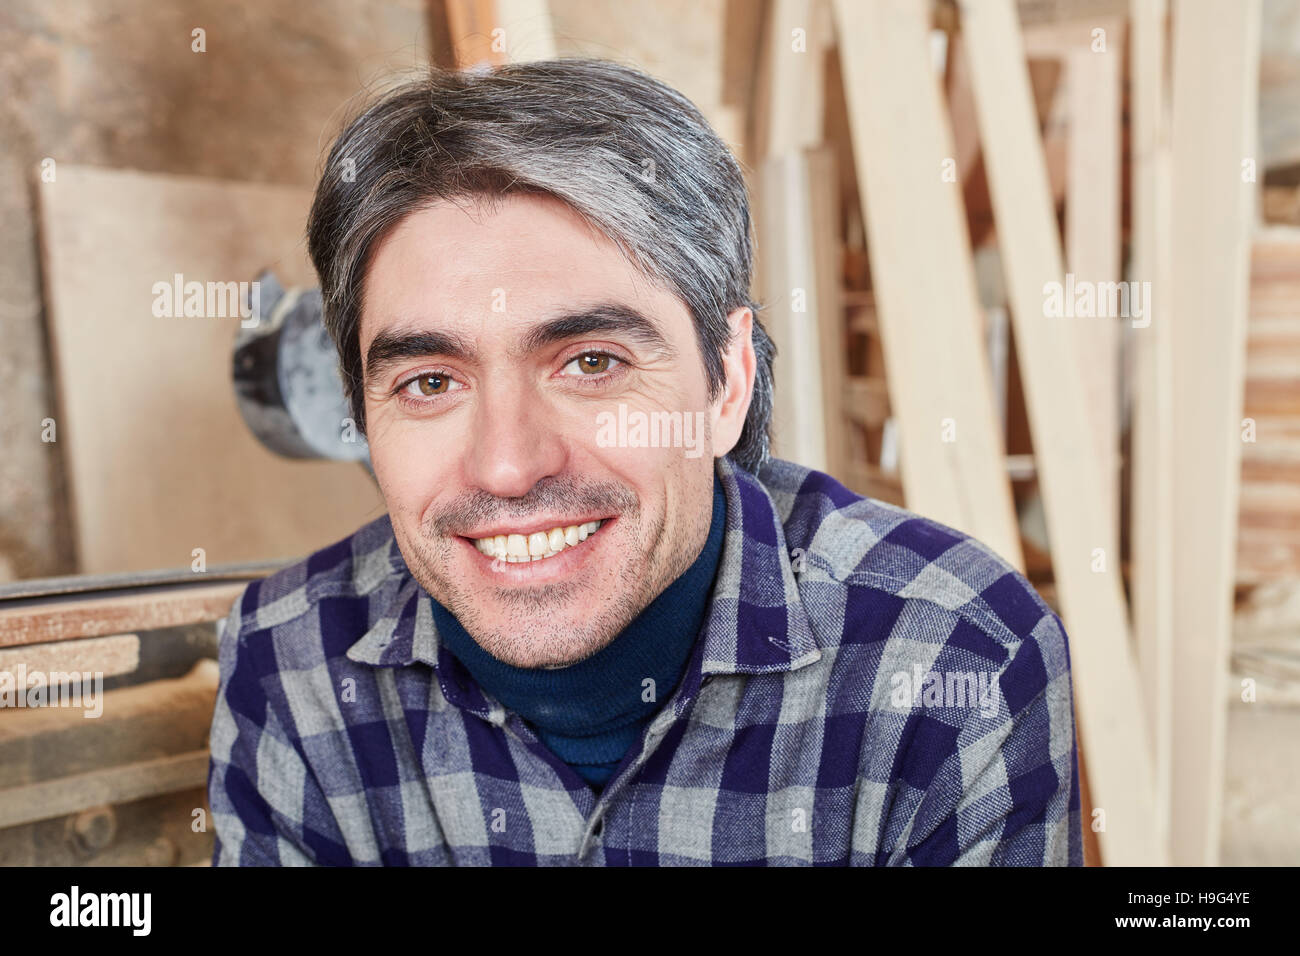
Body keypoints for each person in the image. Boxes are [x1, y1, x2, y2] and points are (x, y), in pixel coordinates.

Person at [208, 58, 1082, 866]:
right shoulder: (289, 667)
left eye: (591, 362)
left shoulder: (954, 665)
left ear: (727, 383)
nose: (508, 466)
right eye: (431, 380)